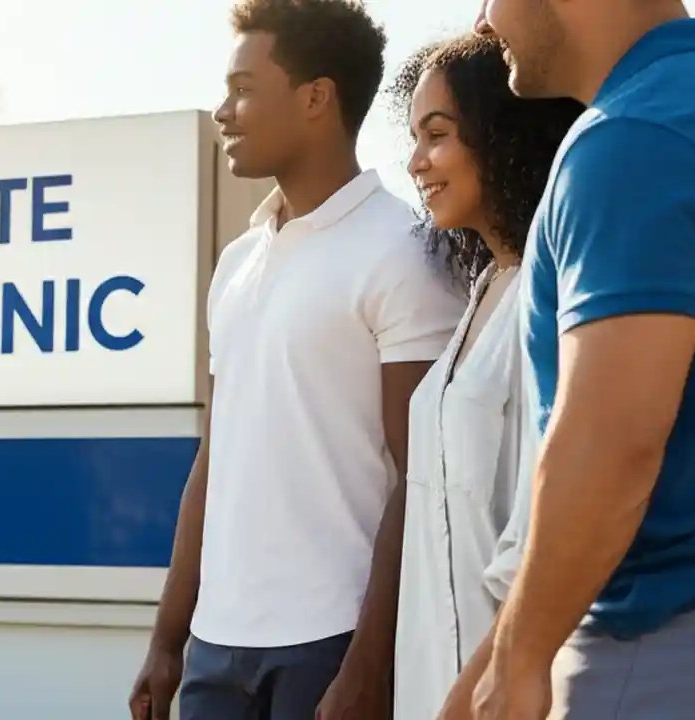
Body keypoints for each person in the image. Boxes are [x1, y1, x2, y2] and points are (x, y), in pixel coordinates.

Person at [467, 0, 695, 718]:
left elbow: (612, 441)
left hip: (679, 650)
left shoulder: (634, 135)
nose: (481, 20)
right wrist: (490, 666)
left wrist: (521, 665)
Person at [126, 1, 466, 718]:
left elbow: (422, 477)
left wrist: (369, 666)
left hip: (332, 645)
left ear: (317, 98)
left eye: (245, 88)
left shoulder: (405, 253)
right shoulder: (238, 262)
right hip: (217, 650)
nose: (224, 110)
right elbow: (213, 460)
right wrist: (167, 639)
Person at [387, 34, 583, 720]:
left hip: (510, 685)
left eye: (436, 135)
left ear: (499, 135)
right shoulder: (484, 290)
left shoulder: (550, 296)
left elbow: (547, 520)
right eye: (413, 138)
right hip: (434, 683)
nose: (416, 162)